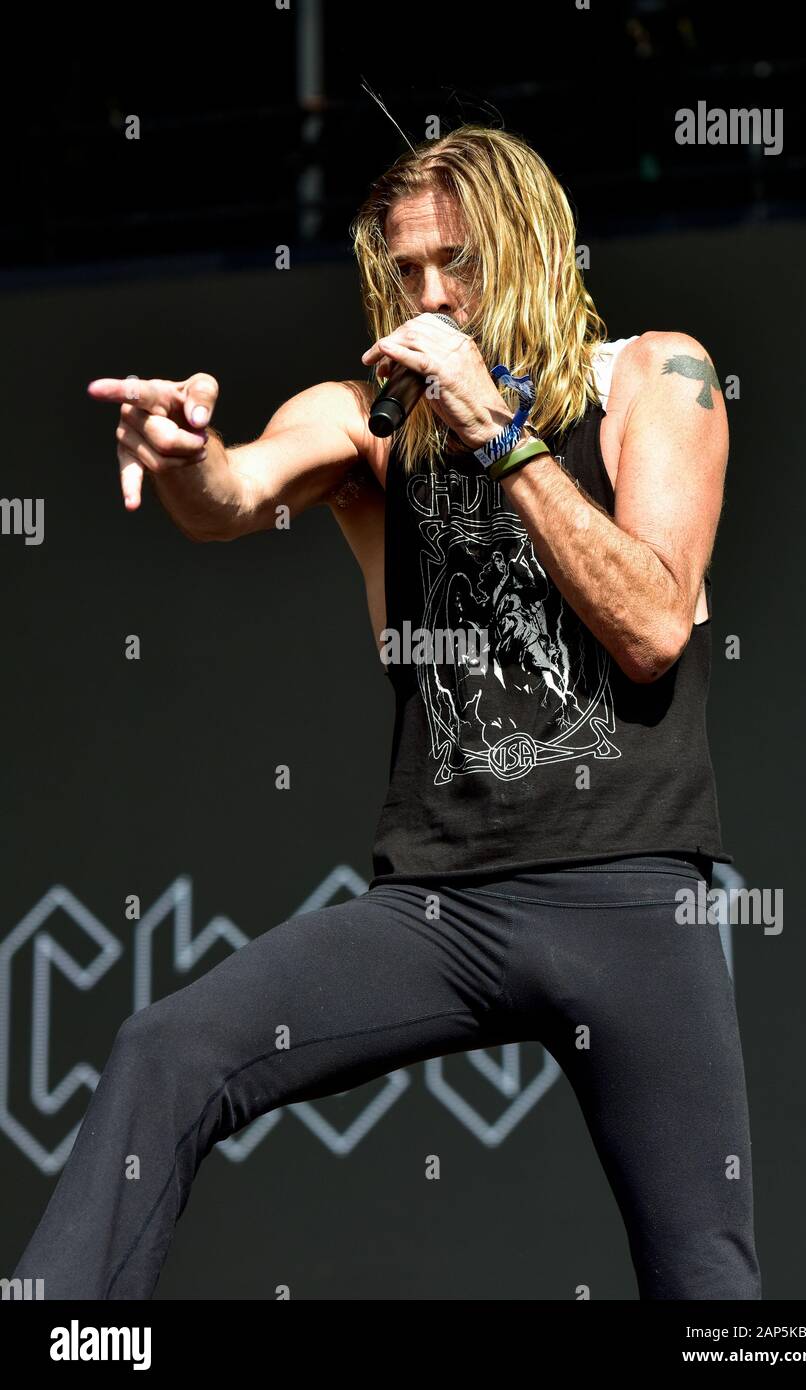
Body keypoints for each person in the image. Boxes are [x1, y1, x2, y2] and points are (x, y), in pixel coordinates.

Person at [13, 125, 761, 1300]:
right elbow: (233, 494)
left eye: (456, 261)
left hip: (628, 894)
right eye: (406, 269)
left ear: (528, 247)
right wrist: (182, 454)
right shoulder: (371, 420)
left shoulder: (655, 377)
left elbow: (655, 625)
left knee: (707, 1278)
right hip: (438, 906)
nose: (431, 294)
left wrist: (499, 431)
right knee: (170, 1047)